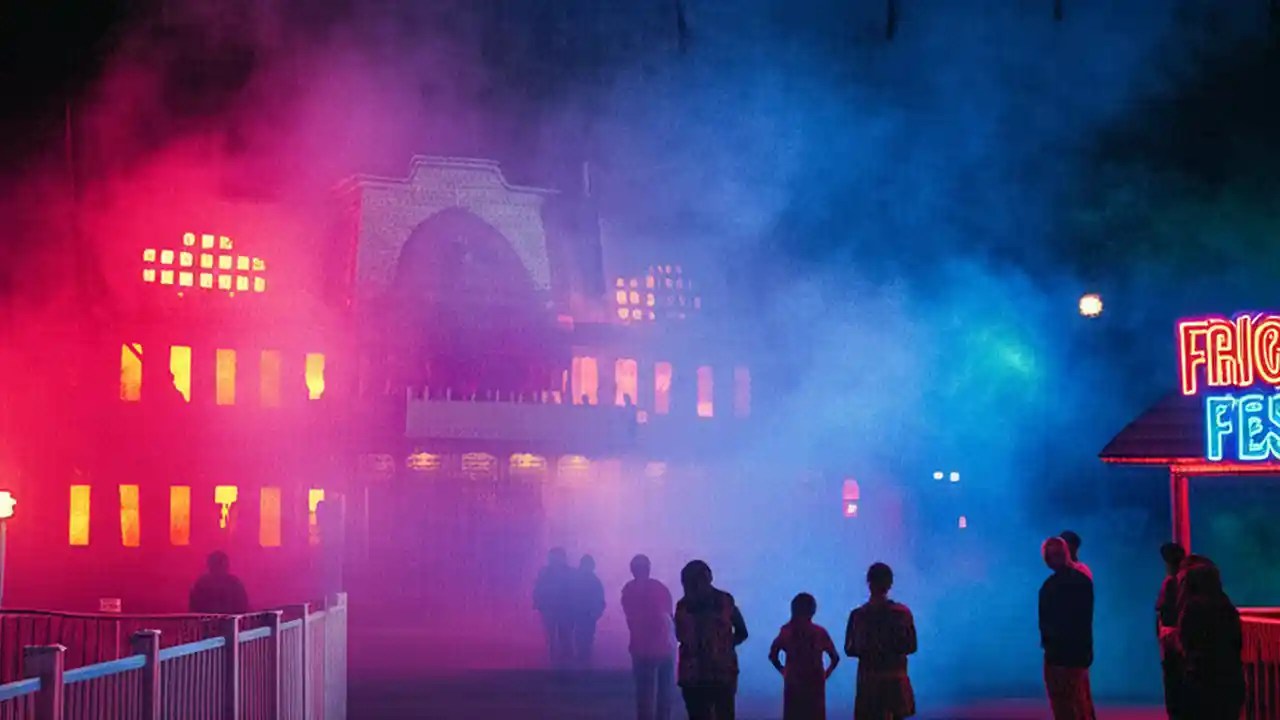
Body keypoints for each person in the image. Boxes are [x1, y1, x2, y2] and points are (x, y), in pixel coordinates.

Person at [675, 560, 748, 720]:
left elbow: (679, 635)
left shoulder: (683, 606)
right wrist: (724, 646)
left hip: (695, 674)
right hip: (720, 672)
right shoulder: (725, 601)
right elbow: (742, 632)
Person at [845, 562, 917, 720]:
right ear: (890, 584)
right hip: (895, 680)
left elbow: (849, 649)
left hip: (869, 682)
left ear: (869, 583)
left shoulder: (858, 615)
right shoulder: (902, 613)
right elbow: (912, 646)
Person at [1178, 560, 1244, 719]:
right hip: (1230, 679)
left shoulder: (1192, 608)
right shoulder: (1227, 607)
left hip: (1201, 679)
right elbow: (1237, 642)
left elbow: (1186, 642)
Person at [1039, 536, 1095, 720]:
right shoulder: (1083, 580)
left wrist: (1049, 648)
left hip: (1058, 656)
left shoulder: (1049, 586)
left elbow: (1046, 623)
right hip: (1079, 654)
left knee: (1064, 707)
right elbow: (1085, 619)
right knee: (1080, 703)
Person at [622, 554, 675, 720]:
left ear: (632, 570)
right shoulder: (660, 588)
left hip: (640, 648)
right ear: (649, 568)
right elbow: (669, 616)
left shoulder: (628, 589)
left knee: (644, 693)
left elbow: (630, 616)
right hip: (663, 647)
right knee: (664, 691)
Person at [769, 593, 839, 720]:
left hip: (793, 683)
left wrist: (784, 671)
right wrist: (825, 675)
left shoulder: (786, 631)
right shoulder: (820, 632)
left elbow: (773, 655)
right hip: (815, 684)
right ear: (812, 611)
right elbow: (835, 658)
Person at [1154, 542, 1187, 719]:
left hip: (1173, 640)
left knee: (1174, 685)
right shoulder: (1177, 582)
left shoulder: (1174, 583)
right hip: (1171, 640)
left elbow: (1163, 610)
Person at [533, 547, 576, 667]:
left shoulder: (569, 573)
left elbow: (575, 590)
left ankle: (564, 661)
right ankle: (555, 661)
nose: (554, 560)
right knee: (551, 635)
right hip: (551, 609)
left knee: (565, 635)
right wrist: (538, 601)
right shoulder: (546, 572)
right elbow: (538, 588)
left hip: (564, 609)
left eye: (556, 557)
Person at [573, 554, 606, 667]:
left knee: (585, 635)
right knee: (581, 635)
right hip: (581, 612)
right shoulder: (592, 580)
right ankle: (583, 657)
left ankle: (584, 657)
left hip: (587, 613)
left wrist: (596, 612)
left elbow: (600, 599)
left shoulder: (591, 580)